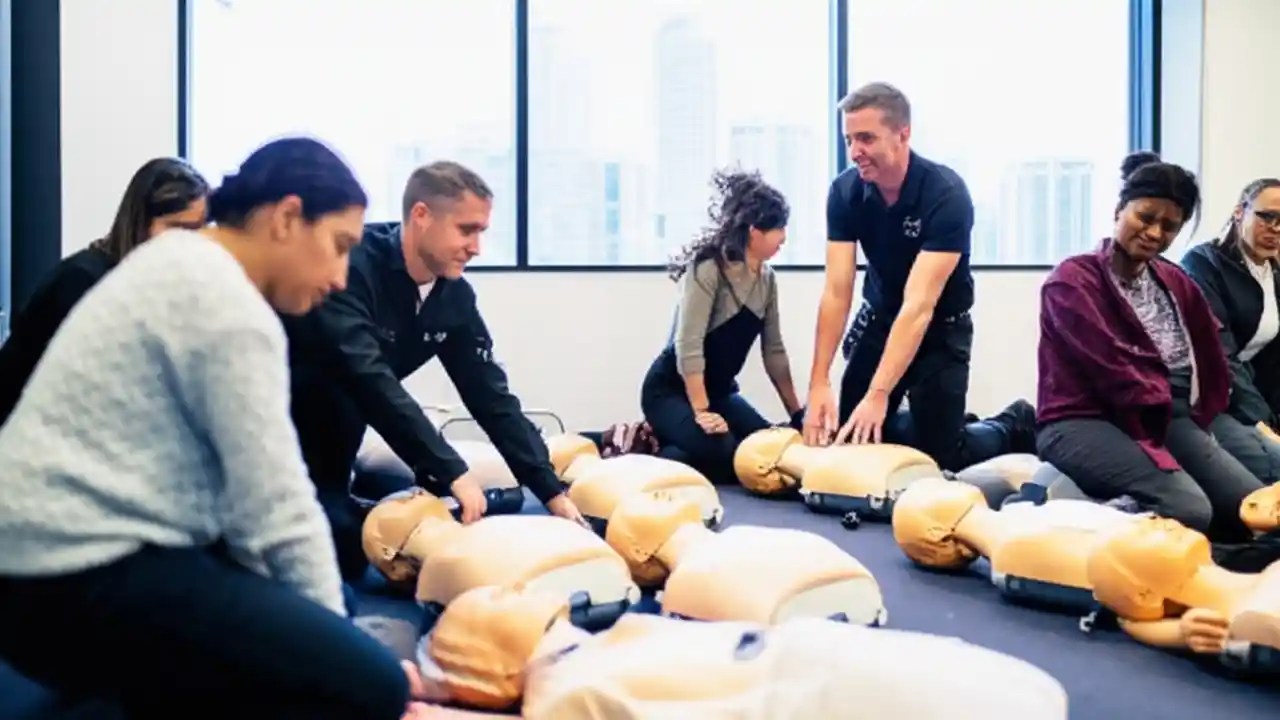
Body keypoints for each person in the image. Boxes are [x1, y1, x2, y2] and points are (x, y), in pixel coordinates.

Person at [0, 137, 419, 719]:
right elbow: (274, 509)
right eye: (339, 246)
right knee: (372, 685)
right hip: (72, 578)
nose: (340, 276)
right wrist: (344, 651)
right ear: (287, 217)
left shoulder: (176, 263)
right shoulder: (227, 307)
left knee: (323, 609)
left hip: (34, 568)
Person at [282, 160, 585, 583]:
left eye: (481, 231)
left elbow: (490, 396)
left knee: (459, 510)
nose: (476, 247)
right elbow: (372, 381)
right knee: (341, 550)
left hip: (344, 436)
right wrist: (452, 470)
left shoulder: (453, 296)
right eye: (467, 230)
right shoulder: (351, 269)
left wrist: (551, 492)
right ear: (421, 216)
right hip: (284, 438)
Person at [802, 81, 1036, 470]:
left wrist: (879, 393)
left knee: (943, 459)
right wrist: (819, 382)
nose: (855, 151)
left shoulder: (946, 194)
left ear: (903, 134)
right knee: (855, 440)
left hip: (939, 328)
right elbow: (836, 292)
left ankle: (1012, 424)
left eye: (866, 138)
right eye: (848, 140)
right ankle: (925, 420)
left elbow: (919, 306)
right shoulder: (844, 192)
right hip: (880, 321)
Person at [1035, 151, 1264, 542]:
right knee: (1190, 508)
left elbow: (1212, 354)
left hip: (1162, 414)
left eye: (1170, 226)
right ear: (1119, 210)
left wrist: (1208, 420)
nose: (1156, 233)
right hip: (1084, 419)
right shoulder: (1072, 281)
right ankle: (1052, 517)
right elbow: (1113, 372)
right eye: (1145, 217)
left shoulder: (1174, 281)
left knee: (1253, 511)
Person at [0, 156, 209, 425]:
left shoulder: (153, 286)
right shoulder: (82, 281)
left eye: (199, 230)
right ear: (142, 222)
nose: (190, 242)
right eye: (179, 228)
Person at [640, 169, 802, 485]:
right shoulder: (708, 268)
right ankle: (659, 450)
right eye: (779, 228)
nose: (784, 236)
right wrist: (701, 412)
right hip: (669, 392)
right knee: (723, 448)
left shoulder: (767, 281)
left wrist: (797, 415)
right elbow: (688, 343)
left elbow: (775, 352)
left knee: (766, 445)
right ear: (755, 231)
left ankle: (679, 447)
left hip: (721, 393)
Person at [1181, 177, 1280, 484]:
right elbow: (1221, 355)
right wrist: (1265, 422)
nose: (1275, 228)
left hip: (1252, 396)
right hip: (1206, 400)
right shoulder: (1202, 264)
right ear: (1240, 212)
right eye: (1267, 217)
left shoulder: (1272, 269)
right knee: (1273, 469)